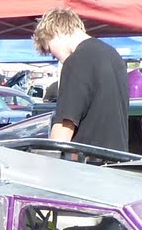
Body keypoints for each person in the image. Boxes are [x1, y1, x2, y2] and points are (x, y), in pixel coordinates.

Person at [33, 8, 127, 152]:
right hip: (116, 160)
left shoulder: (76, 61)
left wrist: (46, 158)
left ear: (55, 32)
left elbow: (65, 126)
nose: (55, 57)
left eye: (50, 50)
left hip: (88, 164)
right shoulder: (113, 55)